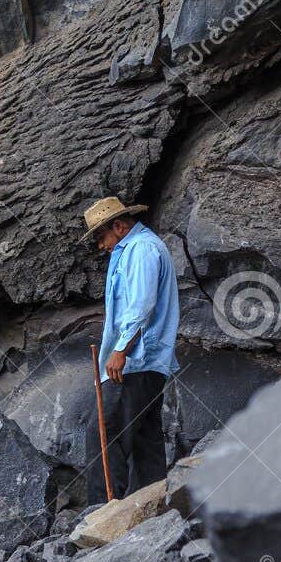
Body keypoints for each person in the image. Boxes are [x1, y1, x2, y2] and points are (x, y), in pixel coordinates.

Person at [79, 195, 179, 502]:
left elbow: (142, 304)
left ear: (119, 226)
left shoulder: (141, 249)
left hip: (136, 361)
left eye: (101, 236)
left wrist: (121, 350)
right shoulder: (134, 248)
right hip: (147, 364)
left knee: (103, 432)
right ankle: (154, 508)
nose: (100, 245)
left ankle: (102, 512)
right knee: (145, 439)